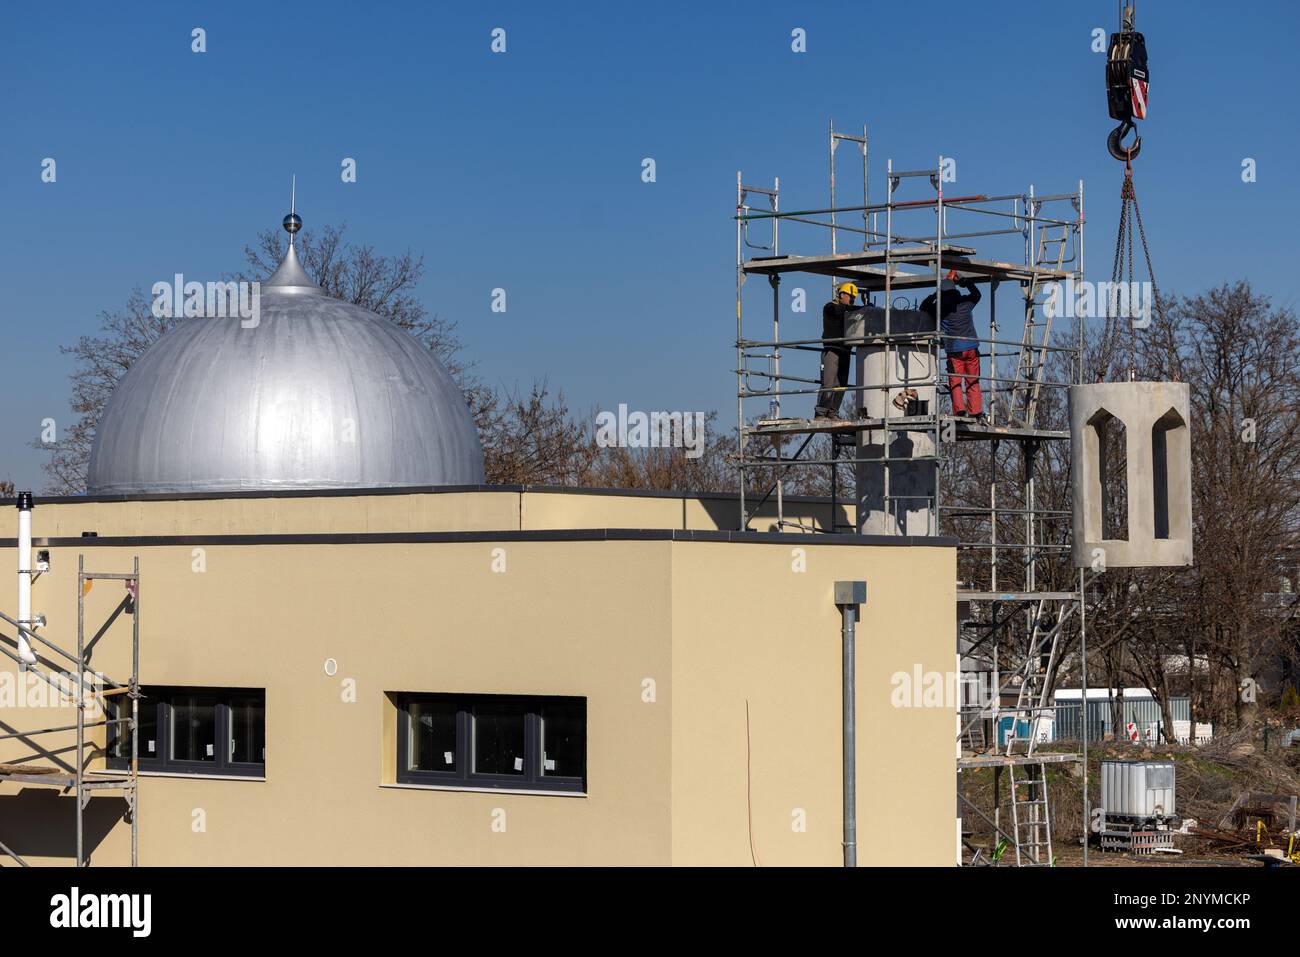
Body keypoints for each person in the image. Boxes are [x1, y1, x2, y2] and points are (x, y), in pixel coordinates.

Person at [922, 270, 985, 423]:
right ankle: (976, 411)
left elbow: (924, 306)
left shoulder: (940, 310)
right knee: (972, 380)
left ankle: (960, 411)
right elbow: (977, 294)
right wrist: (963, 281)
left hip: (955, 350)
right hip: (971, 348)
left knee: (955, 382)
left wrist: (937, 292)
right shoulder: (965, 304)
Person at [815, 281, 859, 419]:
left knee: (841, 385)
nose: (851, 300)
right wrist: (857, 308)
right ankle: (821, 412)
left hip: (845, 350)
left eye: (853, 298)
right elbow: (838, 311)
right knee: (829, 382)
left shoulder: (849, 310)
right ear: (841, 295)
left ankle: (832, 412)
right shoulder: (830, 307)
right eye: (849, 296)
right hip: (832, 350)